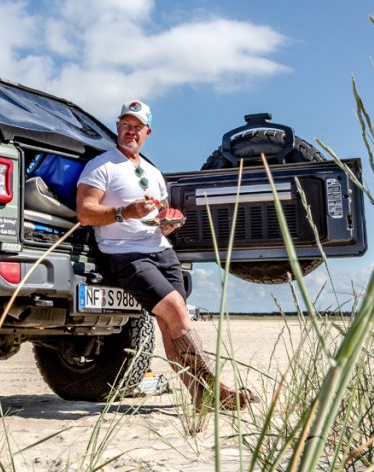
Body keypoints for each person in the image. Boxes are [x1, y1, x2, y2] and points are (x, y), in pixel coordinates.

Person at [76, 99, 254, 411]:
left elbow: (159, 216)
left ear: (148, 132)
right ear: (118, 126)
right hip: (126, 254)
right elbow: (85, 212)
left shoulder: (154, 172)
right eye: (126, 124)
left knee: (171, 325)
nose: (131, 131)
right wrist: (124, 212)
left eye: (138, 127)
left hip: (161, 250)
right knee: (176, 312)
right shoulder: (101, 166)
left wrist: (169, 223)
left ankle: (198, 395)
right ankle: (217, 388)